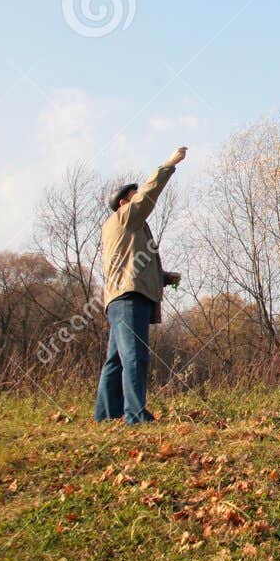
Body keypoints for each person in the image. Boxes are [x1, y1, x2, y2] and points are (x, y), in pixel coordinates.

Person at [94, 146, 186, 425]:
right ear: (124, 202)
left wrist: (164, 277)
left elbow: (132, 266)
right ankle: (135, 415)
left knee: (116, 360)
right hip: (129, 298)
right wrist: (170, 163)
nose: (139, 201)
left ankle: (106, 415)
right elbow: (149, 193)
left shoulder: (129, 230)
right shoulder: (124, 218)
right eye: (134, 197)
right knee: (135, 356)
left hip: (120, 297)